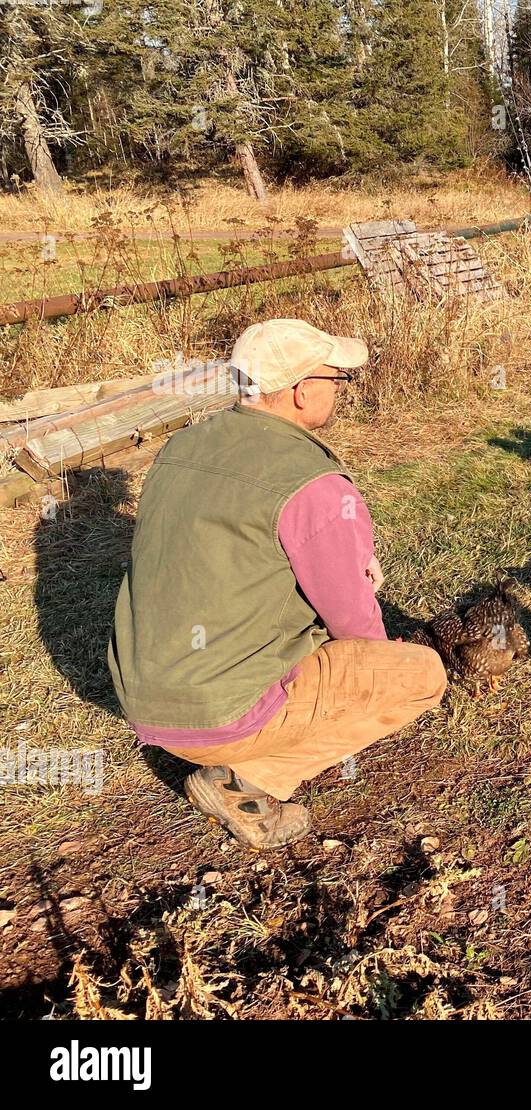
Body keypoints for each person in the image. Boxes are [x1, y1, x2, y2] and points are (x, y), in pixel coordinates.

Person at [108, 319, 446, 848]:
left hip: (141, 700)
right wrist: (380, 663)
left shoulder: (181, 446)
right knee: (422, 674)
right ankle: (251, 782)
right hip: (222, 716)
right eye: (337, 378)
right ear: (300, 389)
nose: (340, 389)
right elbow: (353, 621)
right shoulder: (313, 483)